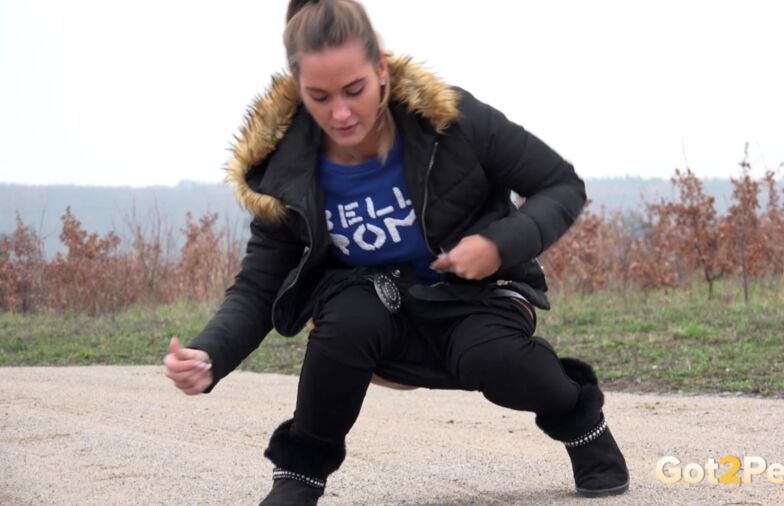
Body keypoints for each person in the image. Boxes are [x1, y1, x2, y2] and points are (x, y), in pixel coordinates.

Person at [163, 0, 629, 503]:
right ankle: (299, 477)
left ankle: (584, 425)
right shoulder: (285, 170)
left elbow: (560, 185)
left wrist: (498, 244)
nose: (339, 113)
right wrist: (211, 352)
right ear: (297, 88)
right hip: (376, 310)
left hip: (478, 297)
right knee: (346, 318)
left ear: (381, 69)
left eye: (354, 90)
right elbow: (259, 285)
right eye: (319, 96)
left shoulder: (452, 120)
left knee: (494, 359)